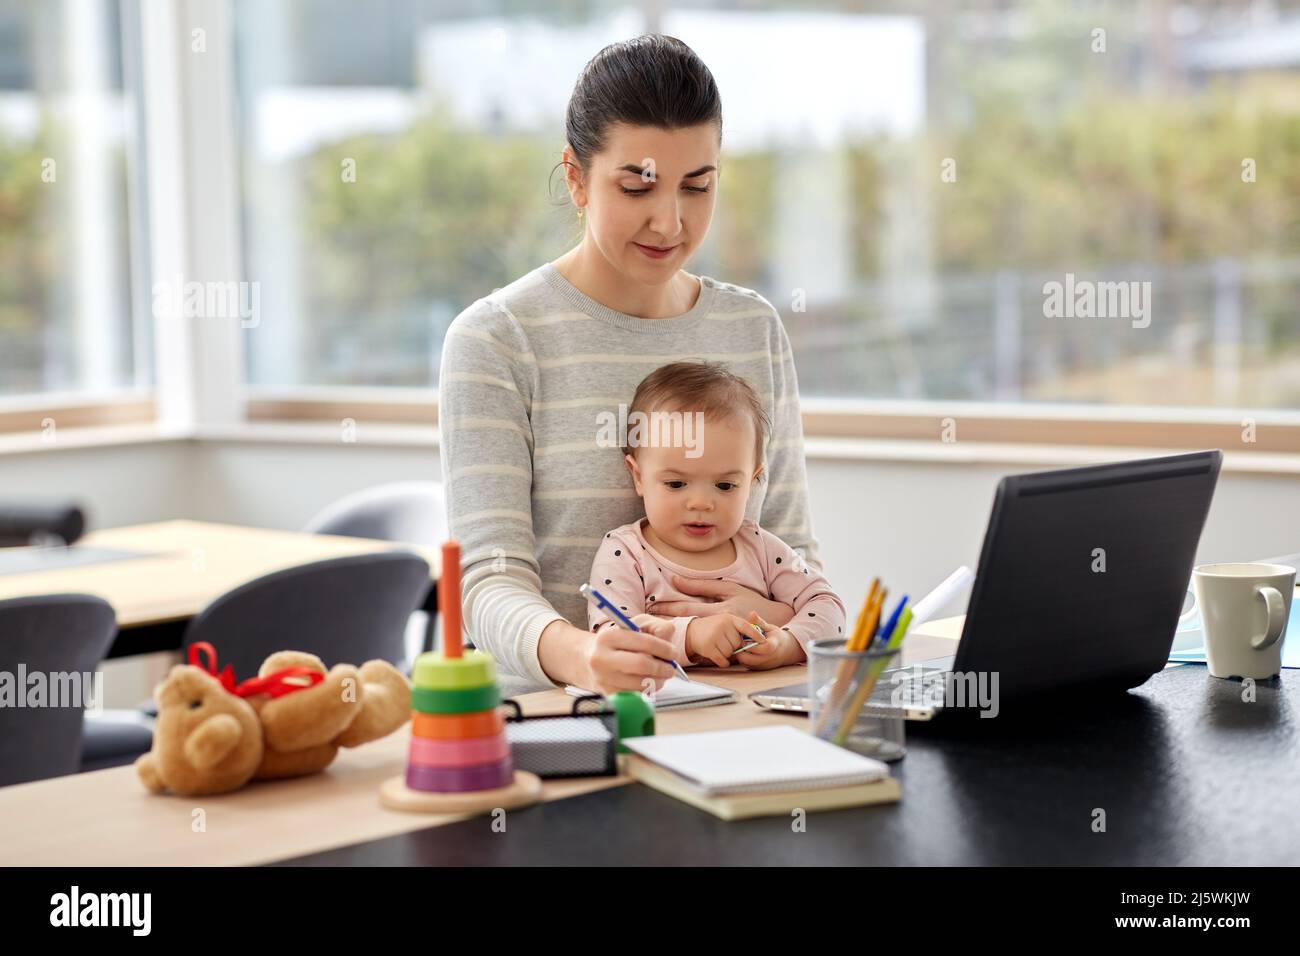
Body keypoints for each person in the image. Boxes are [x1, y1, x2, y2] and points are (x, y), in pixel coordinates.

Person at [438, 34, 825, 697]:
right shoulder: (498, 340)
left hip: (740, 709)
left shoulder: (751, 328)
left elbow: (792, 553)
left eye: (697, 187)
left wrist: (788, 634)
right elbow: (487, 585)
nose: (669, 221)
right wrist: (584, 656)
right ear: (575, 178)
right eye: (638, 186)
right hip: (566, 716)